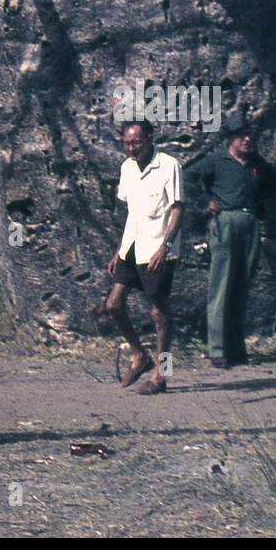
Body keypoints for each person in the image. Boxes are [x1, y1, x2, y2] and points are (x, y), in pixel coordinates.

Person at [104, 120, 183, 394]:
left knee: (159, 311)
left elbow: (177, 209)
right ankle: (140, 355)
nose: (131, 148)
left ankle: (163, 375)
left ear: (150, 138)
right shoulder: (127, 168)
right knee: (113, 304)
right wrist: (119, 249)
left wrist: (165, 246)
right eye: (127, 143)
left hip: (158, 249)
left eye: (136, 142)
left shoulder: (169, 165)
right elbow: (132, 213)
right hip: (132, 246)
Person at [197, 115, 276, 367]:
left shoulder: (256, 164)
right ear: (229, 139)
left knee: (241, 286)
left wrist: (260, 204)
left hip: (251, 222)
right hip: (224, 222)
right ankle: (218, 349)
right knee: (221, 286)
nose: (247, 139)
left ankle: (236, 348)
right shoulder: (215, 161)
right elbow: (188, 178)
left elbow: (273, 182)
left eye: (249, 135)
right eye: (241, 135)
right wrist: (205, 202)